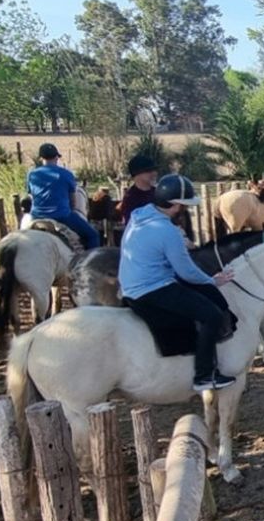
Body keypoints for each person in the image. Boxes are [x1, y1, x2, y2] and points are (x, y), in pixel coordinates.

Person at [120, 174, 236, 391]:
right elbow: (187, 272)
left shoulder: (139, 215)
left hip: (129, 286)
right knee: (211, 315)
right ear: (173, 204)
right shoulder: (168, 231)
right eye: (183, 206)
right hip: (153, 289)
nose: (185, 210)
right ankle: (204, 376)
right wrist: (212, 281)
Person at [26, 143, 100, 249]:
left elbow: (31, 196)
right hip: (62, 216)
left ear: (41, 158)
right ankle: (91, 264)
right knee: (92, 235)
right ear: (57, 157)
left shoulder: (32, 174)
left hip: (36, 216)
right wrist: (71, 209)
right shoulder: (66, 174)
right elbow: (73, 201)